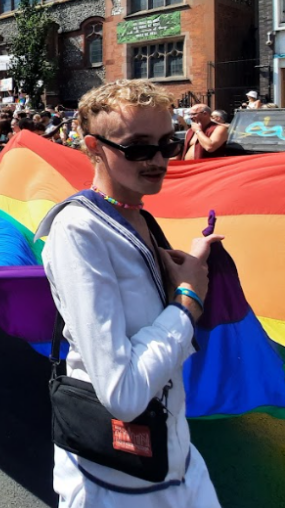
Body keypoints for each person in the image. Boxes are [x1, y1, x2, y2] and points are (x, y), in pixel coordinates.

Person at [42, 79, 220, 506]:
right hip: (114, 483)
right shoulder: (78, 230)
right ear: (95, 146)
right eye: (139, 147)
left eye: (167, 143)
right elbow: (122, 393)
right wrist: (188, 303)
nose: (158, 159)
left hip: (178, 458)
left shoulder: (138, 216)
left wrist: (188, 269)